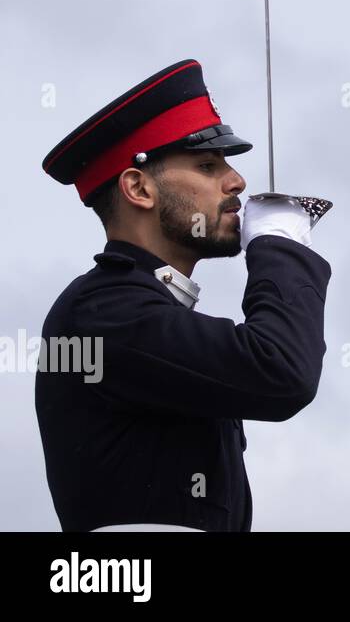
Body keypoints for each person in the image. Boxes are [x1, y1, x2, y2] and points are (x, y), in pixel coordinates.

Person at [36, 59, 333, 531]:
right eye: (207, 165)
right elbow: (281, 370)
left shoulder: (136, 305)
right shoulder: (103, 311)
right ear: (138, 187)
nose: (236, 181)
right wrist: (281, 247)